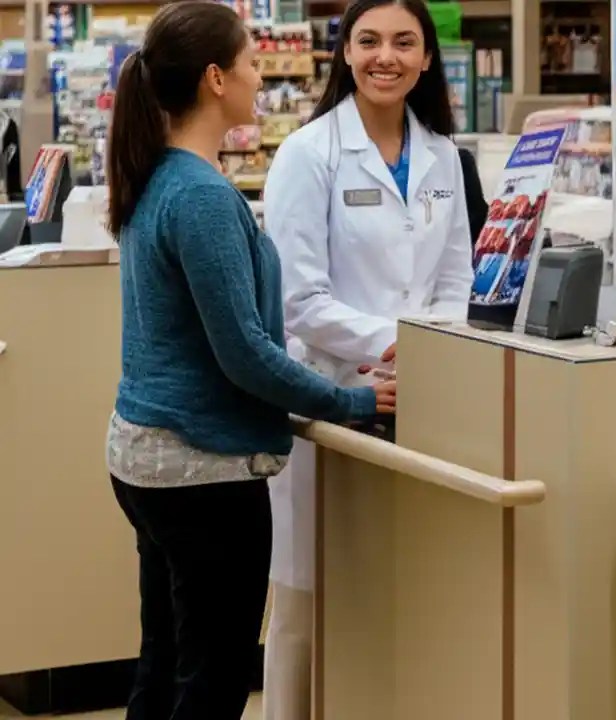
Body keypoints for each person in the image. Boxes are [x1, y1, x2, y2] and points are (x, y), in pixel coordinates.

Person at [103, 2, 397, 719]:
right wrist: (358, 402)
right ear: (214, 79)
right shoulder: (201, 197)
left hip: (147, 459)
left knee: (166, 662)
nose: (260, 79)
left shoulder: (159, 178)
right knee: (212, 680)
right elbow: (246, 357)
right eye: (250, 64)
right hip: (203, 471)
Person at [260, 0, 474, 717]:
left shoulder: (444, 154)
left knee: (398, 592)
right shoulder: (307, 152)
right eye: (371, 41)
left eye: (404, 43)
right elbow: (298, 300)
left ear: (425, 58)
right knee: (308, 601)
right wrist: (399, 347)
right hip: (331, 401)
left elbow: (456, 282)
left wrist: (437, 358)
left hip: (425, 402)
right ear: (345, 53)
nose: (387, 57)